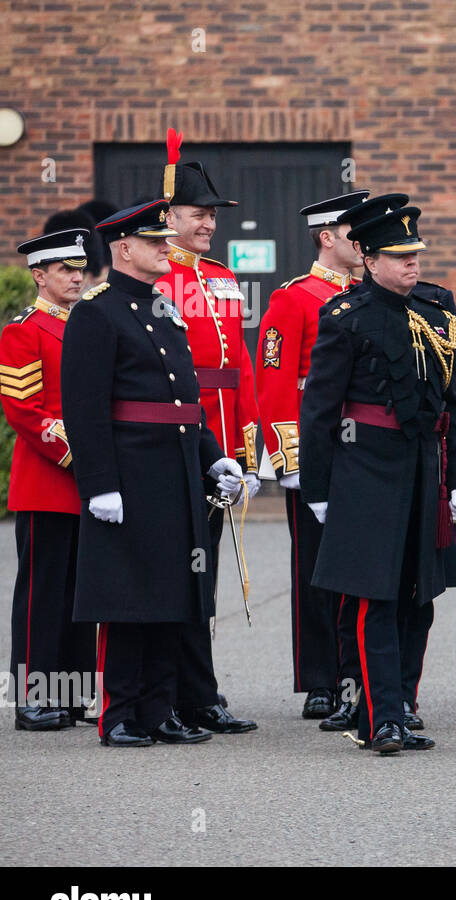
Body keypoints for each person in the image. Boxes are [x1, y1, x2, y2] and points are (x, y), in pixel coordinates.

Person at [61, 200, 247, 747]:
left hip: (176, 471)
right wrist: (99, 484)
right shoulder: (96, 311)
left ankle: (161, 707)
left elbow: (185, 397)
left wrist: (215, 455)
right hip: (129, 473)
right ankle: (119, 712)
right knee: (127, 595)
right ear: (123, 249)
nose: (168, 249)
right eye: (156, 242)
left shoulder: (163, 308)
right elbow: (84, 407)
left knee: (173, 592)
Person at [299, 204, 456, 754]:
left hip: (425, 464)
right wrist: (320, 488)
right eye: (399, 257)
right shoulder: (344, 314)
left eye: (415, 255)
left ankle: (402, 704)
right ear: (370, 260)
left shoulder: (439, 313)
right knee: (376, 595)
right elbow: (320, 409)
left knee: (419, 593)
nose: (411, 265)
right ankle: (380, 719)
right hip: (366, 468)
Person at [153, 130, 258, 734]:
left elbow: (238, 363)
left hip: (217, 441)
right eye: (198, 215)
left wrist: (247, 443)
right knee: (174, 572)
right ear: (168, 216)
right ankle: (164, 693)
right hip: (174, 441)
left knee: (205, 570)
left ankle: (200, 692)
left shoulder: (221, 278)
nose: (209, 225)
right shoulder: (153, 277)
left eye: (213, 216)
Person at [256, 190, 368, 720]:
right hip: (315, 442)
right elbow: (275, 380)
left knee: (362, 562)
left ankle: (359, 670)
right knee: (315, 564)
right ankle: (320, 676)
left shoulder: (372, 291)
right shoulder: (293, 298)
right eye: (351, 233)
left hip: (366, 441)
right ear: (327, 238)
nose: (361, 242)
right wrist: (289, 455)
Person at [1, 226, 96, 729]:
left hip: (88, 483)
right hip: (48, 477)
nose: (76, 276)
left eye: (79, 268)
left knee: (83, 591)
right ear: (39, 276)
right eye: (65, 269)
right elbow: (22, 410)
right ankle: (33, 699)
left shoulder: (84, 323)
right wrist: (82, 454)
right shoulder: (24, 328)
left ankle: (75, 694)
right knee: (42, 593)